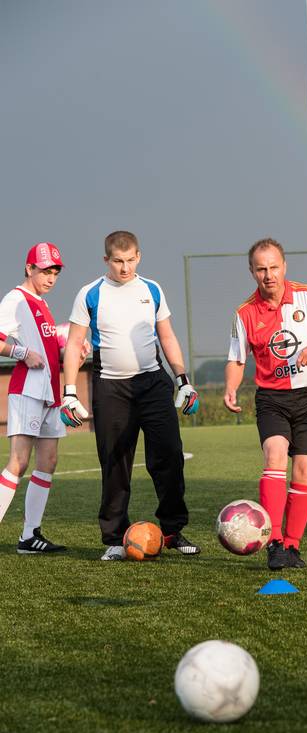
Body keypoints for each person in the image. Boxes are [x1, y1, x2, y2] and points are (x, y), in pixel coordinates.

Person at [61, 230, 201, 561]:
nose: (125, 268)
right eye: (118, 261)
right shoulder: (90, 294)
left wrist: (183, 380)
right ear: (106, 260)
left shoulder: (151, 289)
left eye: (130, 260)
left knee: (168, 455)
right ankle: (114, 537)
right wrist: (69, 392)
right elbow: (73, 343)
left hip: (153, 383)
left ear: (139, 256)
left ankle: (172, 530)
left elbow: (166, 336)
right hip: (111, 387)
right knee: (114, 461)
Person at [224, 237, 307, 570]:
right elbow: (238, 359)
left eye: (274, 267)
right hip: (272, 399)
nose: (269, 275)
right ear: (252, 271)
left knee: (305, 470)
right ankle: (275, 542)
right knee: (275, 455)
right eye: (261, 269)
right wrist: (231, 388)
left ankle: (293, 547)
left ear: (285, 267)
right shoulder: (245, 313)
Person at [0, 243, 71, 553]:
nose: (51, 277)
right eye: (45, 271)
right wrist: (21, 352)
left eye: (54, 272)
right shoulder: (16, 299)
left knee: (48, 461)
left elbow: (46, 347)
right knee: (18, 461)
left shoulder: (40, 302)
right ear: (29, 269)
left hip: (50, 394)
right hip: (27, 389)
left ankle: (29, 536)